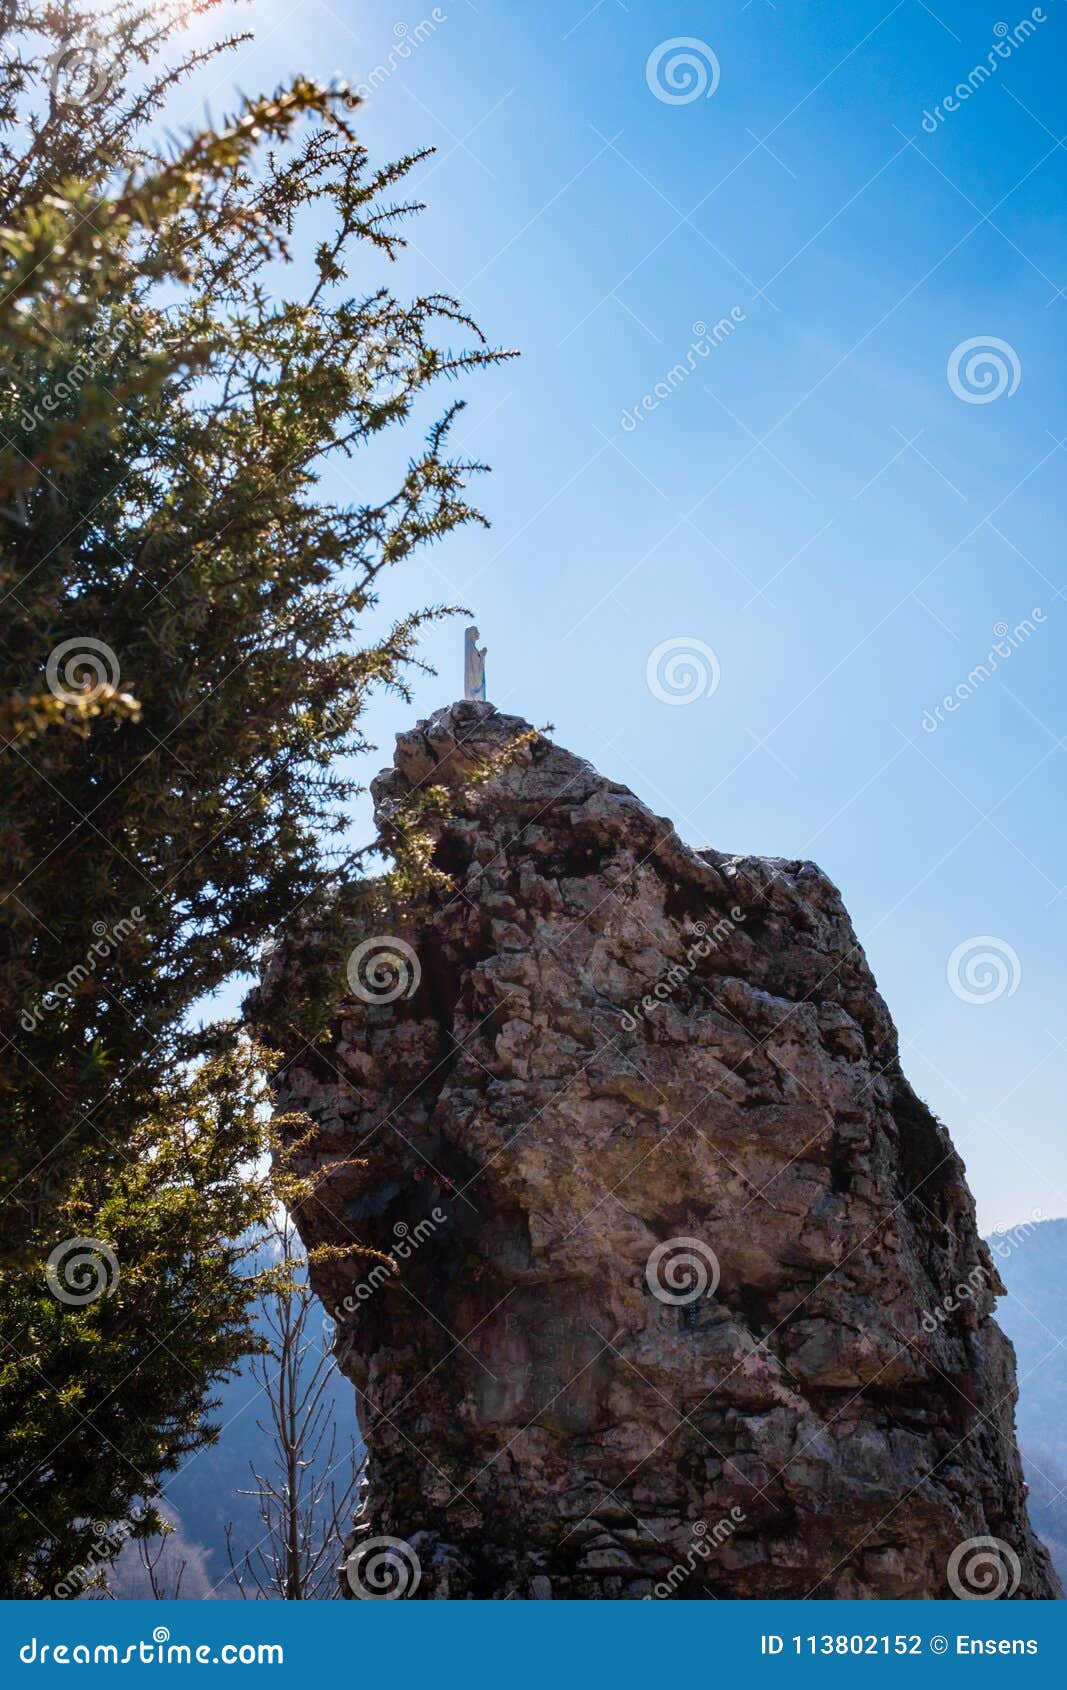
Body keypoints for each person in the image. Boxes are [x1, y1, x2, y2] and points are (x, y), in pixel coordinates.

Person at [464, 625, 487, 701]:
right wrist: (482, 655)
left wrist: (481, 655)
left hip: (475, 675)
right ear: (472, 633)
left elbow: (476, 659)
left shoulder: (472, 646)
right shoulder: (470, 646)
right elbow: (474, 663)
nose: (478, 633)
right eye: (476, 631)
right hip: (474, 677)